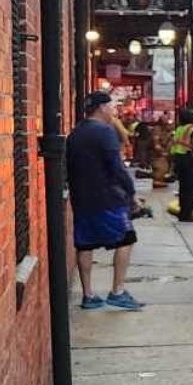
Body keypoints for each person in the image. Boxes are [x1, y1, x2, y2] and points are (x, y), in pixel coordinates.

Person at [66, 92, 144, 311]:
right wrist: (131, 193)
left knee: (85, 244)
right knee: (126, 239)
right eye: (111, 107)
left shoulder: (75, 134)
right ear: (101, 108)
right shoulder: (105, 133)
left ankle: (88, 295)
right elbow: (116, 167)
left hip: (81, 199)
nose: (113, 111)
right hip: (107, 199)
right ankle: (117, 291)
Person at [170, 104, 193, 223]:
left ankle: (182, 213)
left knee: (183, 188)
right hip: (189, 159)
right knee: (191, 188)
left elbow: (172, 145)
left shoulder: (179, 129)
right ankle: (188, 215)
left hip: (178, 159)